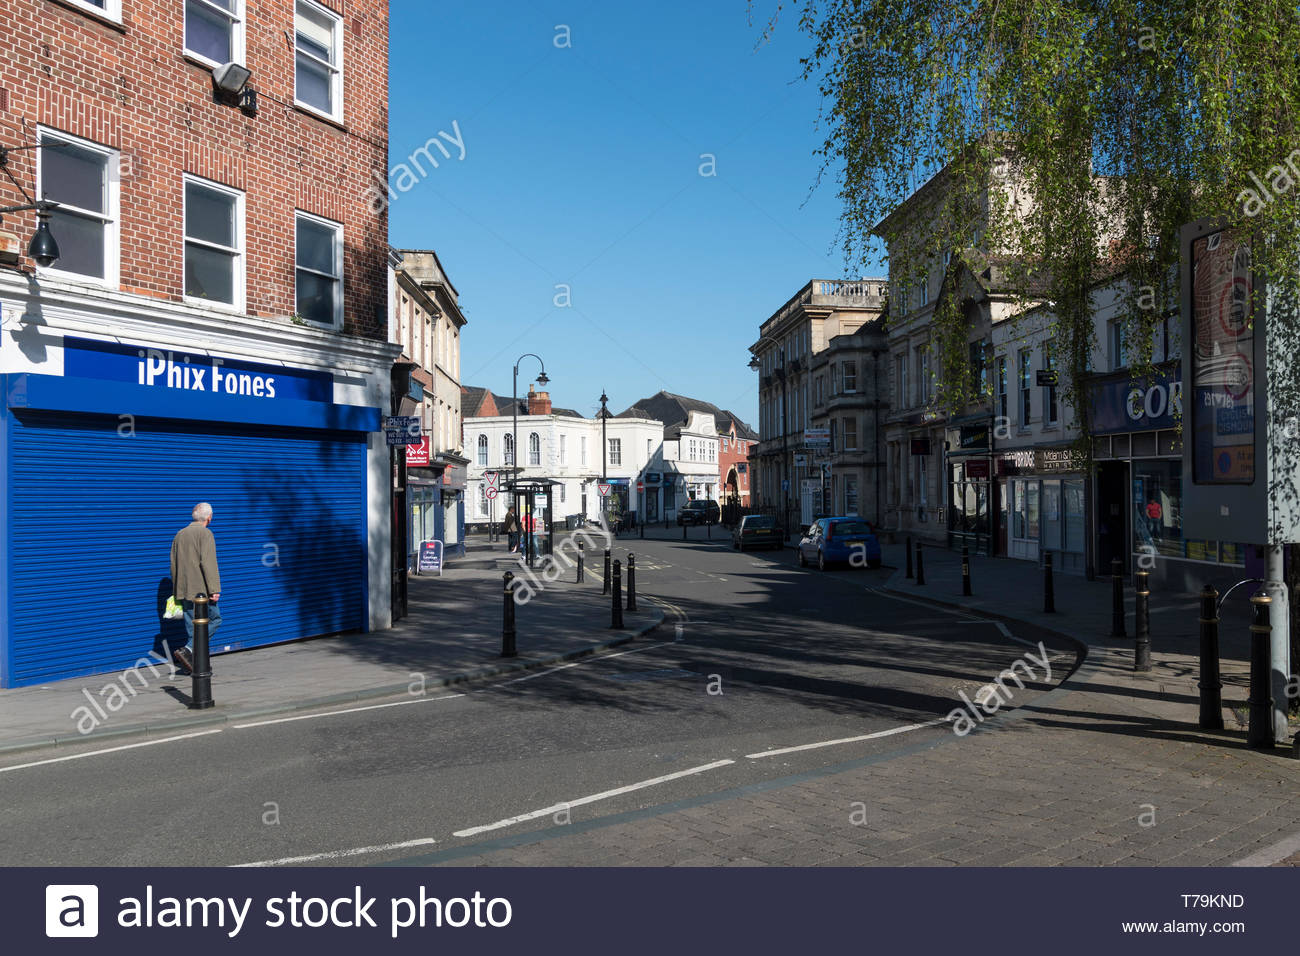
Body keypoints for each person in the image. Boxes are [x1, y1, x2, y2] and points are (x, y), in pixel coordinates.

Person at [169, 501, 222, 672]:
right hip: (201, 590)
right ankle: (189, 650)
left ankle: (194, 664)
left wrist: (177, 588)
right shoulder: (205, 534)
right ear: (209, 518)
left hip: (183, 589)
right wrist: (214, 589)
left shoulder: (179, 534)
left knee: (192, 627)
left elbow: (173, 564)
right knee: (215, 619)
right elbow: (208, 563)